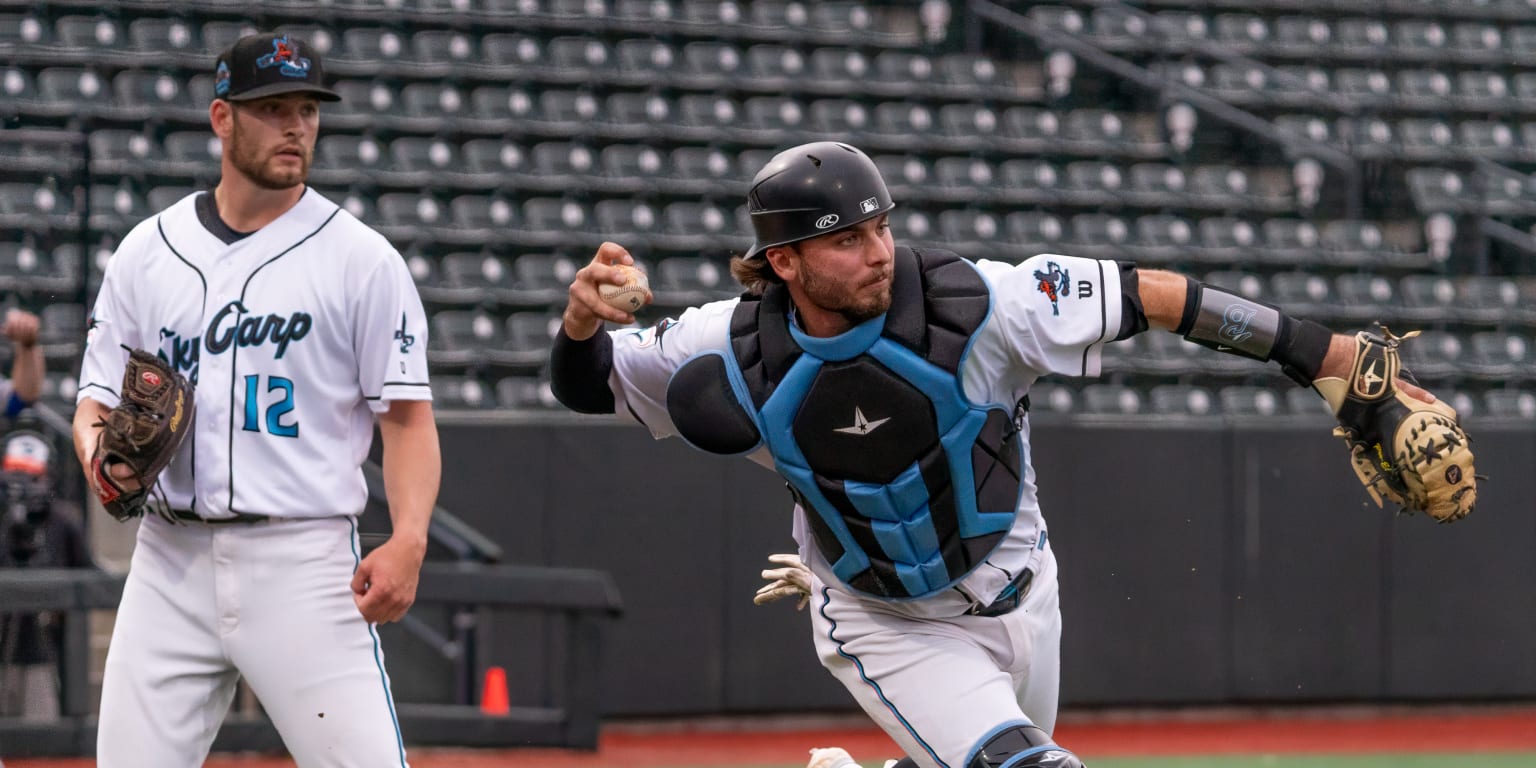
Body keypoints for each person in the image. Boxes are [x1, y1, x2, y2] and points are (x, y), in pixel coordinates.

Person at [550, 141, 1448, 768]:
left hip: (1025, 588)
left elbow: (1156, 297)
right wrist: (582, 318)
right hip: (886, 623)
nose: (877, 252)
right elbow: (588, 385)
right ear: (782, 261)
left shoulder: (978, 303)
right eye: (845, 238)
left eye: (881, 227)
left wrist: (1333, 363)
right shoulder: (725, 353)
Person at [71, 33, 438, 768]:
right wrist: (96, 457)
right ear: (222, 118)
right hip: (169, 559)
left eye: (307, 108)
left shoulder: (362, 260)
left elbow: (407, 420)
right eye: (271, 108)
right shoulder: (148, 250)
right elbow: (94, 402)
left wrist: (409, 537)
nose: (296, 126)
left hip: (303, 562)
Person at [0, 424, 94, 720]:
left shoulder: (64, 522)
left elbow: (92, 580)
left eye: (32, 475)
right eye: (16, 472)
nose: (24, 485)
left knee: (43, 743)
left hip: (44, 653)